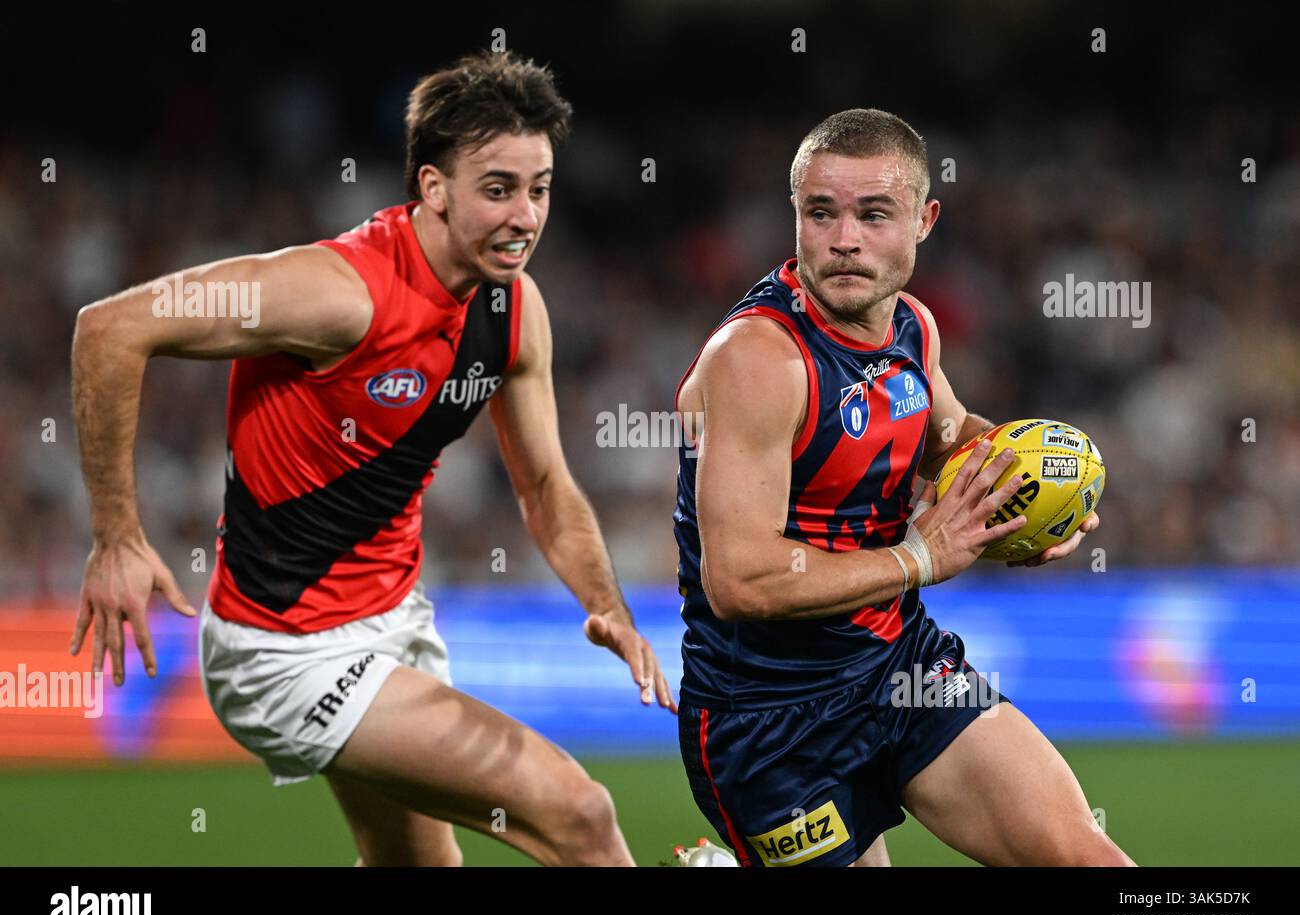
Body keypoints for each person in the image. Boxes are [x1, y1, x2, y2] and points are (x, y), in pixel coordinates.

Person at [69, 50, 675, 867]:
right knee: (579, 813)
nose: (525, 216)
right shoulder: (335, 292)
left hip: (393, 620)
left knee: (419, 865)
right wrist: (116, 536)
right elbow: (110, 329)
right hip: (285, 649)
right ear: (433, 187)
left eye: (539, 189)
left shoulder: (513, 311)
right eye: (498, 189)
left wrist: (608, 605)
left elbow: (542, 485)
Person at [672, 108, 1133, 867]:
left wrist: (1034, 491)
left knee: (1089, 860)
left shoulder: (912, 327)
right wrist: (919, 557)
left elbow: (948, 437)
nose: (844, 239)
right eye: (822, 213)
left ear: (925, 220)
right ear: (795, 216)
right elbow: (739, 580)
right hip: (766, 722)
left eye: (874, 214)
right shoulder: (758, 360)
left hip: (900, 668)